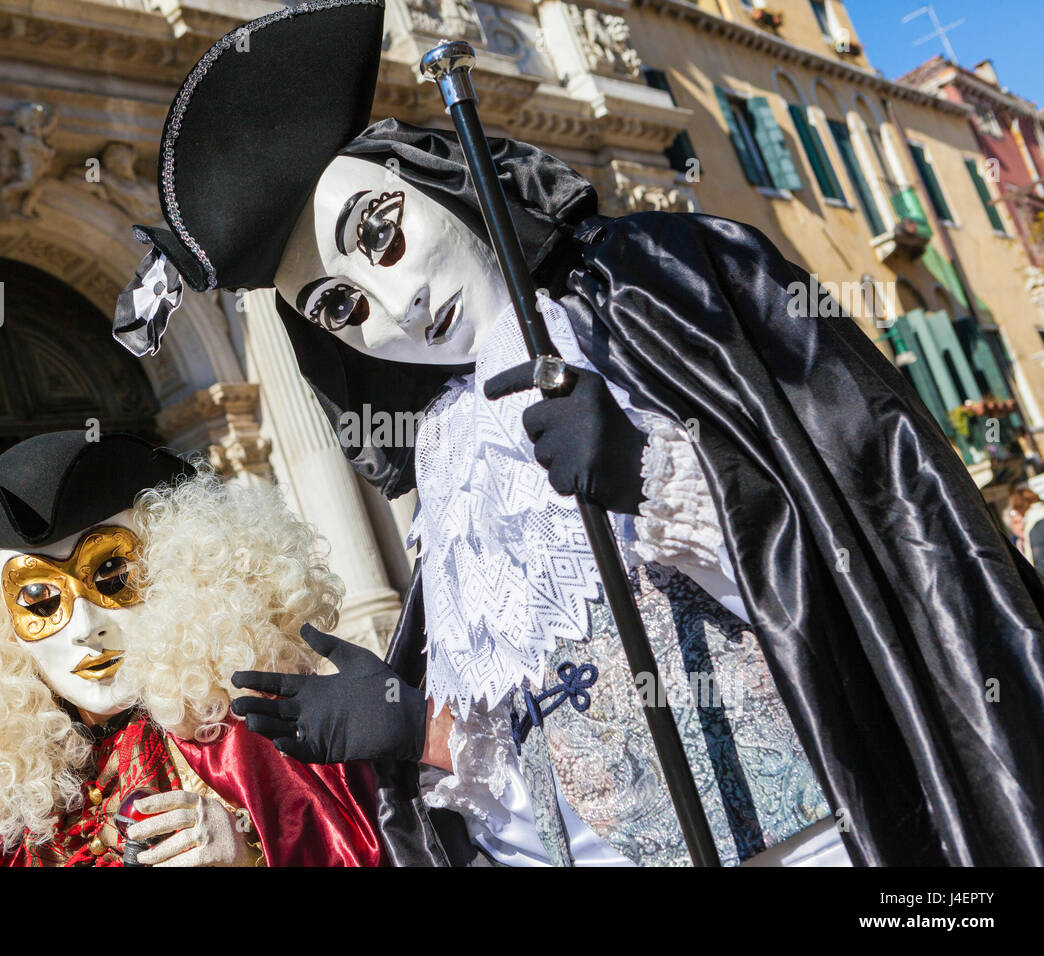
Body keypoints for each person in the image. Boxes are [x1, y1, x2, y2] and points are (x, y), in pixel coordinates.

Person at [113, 0, 1044, 866]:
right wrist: (420, 731)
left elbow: (859, 535)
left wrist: (655, 474)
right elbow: (541, 759)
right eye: (342, 306)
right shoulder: (445, 462)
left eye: (384, 235)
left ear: (439, 184)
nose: (395, 306)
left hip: (814, 835)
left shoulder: (651, 299)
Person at [0, 430, 385, 866]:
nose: (87, 627)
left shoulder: (258, 737)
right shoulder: (13, 809)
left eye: (114, 574)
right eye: (40, 600)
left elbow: (369, 849)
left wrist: (251, 849)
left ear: (182, 575)